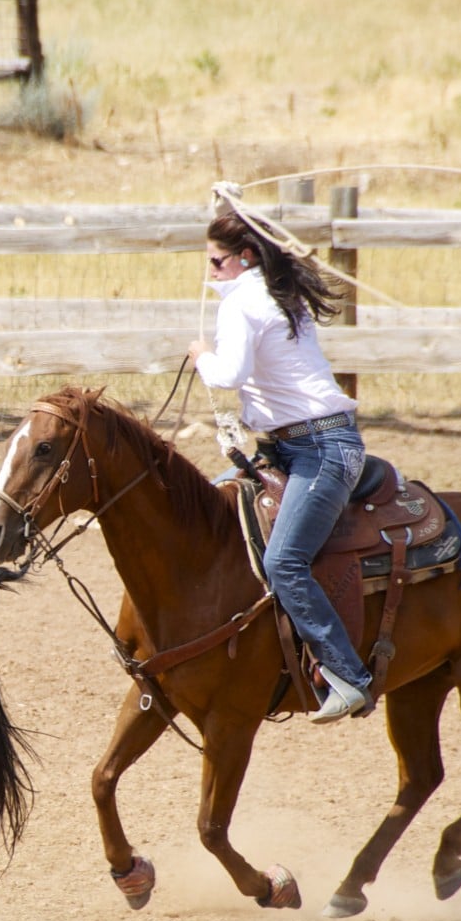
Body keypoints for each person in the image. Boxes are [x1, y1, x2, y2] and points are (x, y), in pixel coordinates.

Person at [190, 210, 372, 724]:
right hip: (306, 444)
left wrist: (201, 354)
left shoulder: (243, 301)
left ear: (243, 257)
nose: (210, 273)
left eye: (216, 262)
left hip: (319, 450)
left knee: (284, 562)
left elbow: (229, 373)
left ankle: (348, 676)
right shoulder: (274, 294)